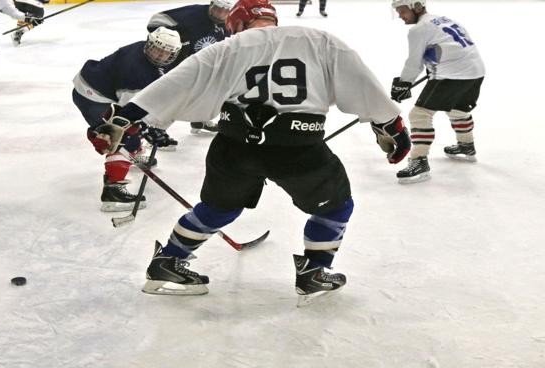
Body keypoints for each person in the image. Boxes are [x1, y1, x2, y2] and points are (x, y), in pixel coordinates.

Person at [95, 2, 409, 301]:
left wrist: (129, 117)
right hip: (297, 147)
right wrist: (390, 124)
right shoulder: (319, 40)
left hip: (233, 145)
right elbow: (360, 82)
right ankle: (315, 270)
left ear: (237, 24)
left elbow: (180, 81)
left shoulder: (229, 47)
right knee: (334, 207)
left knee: (219, 207)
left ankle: (168, 261)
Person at [75, 28, 183, 211]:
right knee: (122, 134)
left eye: (167, 53)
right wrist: (149, 129)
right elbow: (128, 112)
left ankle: (131, 152)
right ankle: (113, 192)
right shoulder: (135, 69)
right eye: (157, 49)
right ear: (149, 44)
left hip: (100, 89)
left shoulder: (142, 52)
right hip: (93, 96)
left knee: (131, 128)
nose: (161, 55)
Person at [388, 0, 484, 183]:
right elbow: (458, 46)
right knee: (458, 108)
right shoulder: (444, 19)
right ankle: (466, 146)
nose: (400, 15)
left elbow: (414, 63)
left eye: (402, 10)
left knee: (419, 114)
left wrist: (403, 83)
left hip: (453, 74)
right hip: (476, 71)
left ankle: (419, 162)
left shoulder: (418, 29)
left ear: (416, 6)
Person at [145, 1, 235, 143]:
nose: (220, 13)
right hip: (178, 66)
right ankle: (156, 130)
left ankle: (200, 119)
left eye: (225, 10)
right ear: (211, 4)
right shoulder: (193, 13)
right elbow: (155, 21)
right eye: (217, 8)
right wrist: (178, 35)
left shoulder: (232, 20)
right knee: (177, 97)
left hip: (203, 65)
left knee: (210, 92)